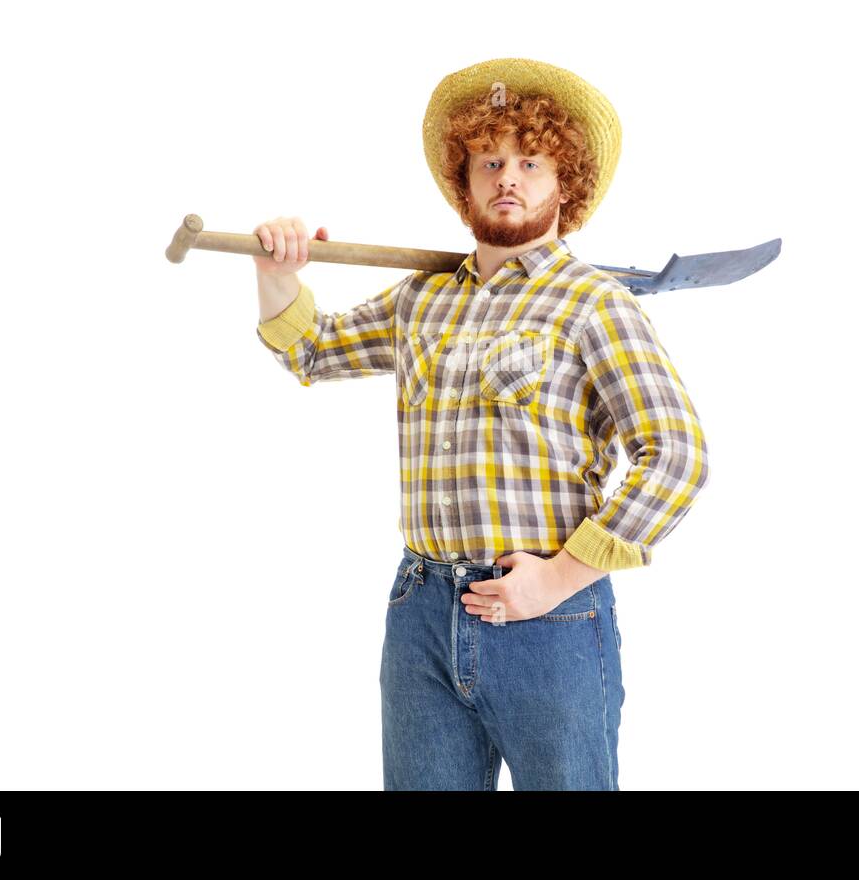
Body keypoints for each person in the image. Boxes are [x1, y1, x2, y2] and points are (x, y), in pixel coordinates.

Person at [252, 57, 710, 790]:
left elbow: (677, 456)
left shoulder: (595, 303)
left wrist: (562, 576)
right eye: (490, 160)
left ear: (565, 183)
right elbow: (311, 351)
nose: (509, 177)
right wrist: (279, 270)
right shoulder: (421, 301)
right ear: (463, 181)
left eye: (531, 161)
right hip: (421, 615)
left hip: (548, 617)